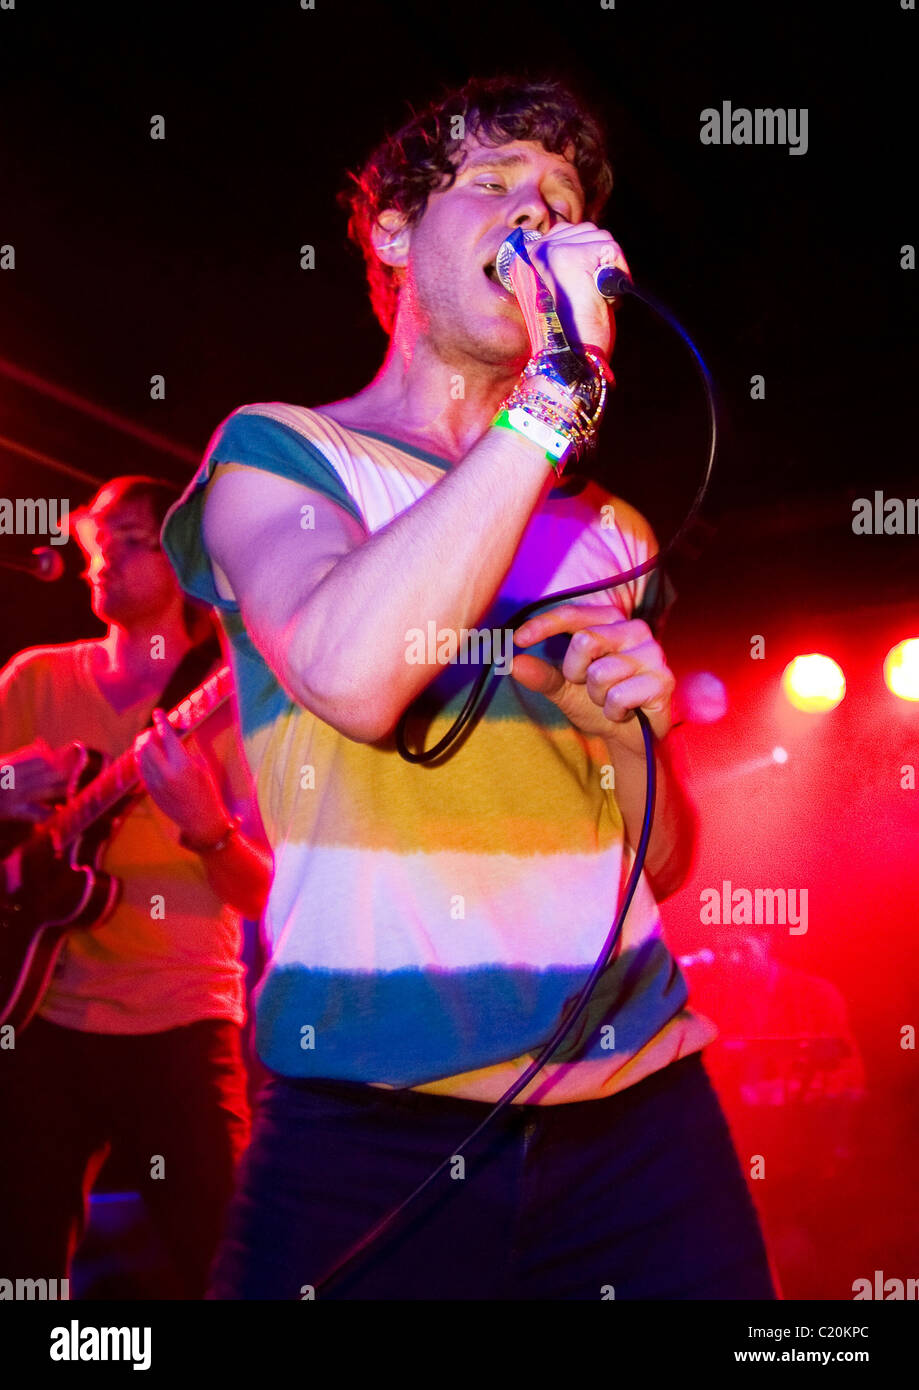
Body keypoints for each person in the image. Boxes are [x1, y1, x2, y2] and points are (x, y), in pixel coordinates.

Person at [162, 75, 776, 1300]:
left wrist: (635, 739)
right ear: (393, 233)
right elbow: (347, 671)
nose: (533, 220)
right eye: (492, 187)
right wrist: (555, 402)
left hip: (643, 1101)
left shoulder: (610, 531)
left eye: (556, 201)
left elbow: (658, 862)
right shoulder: (285, 451)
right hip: (372, 1123)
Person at [0, 475, 272, 1298]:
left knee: (225, 1265)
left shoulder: (232, 693)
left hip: (180, 1025)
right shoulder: (35, 679)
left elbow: (263, 892)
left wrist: (205, 824)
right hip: (38, 1019)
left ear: (185, 558)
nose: (103, 559)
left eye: (134, 541)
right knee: (22, 1269)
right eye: (98, 542)